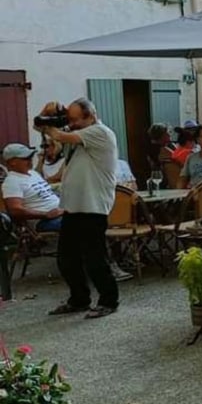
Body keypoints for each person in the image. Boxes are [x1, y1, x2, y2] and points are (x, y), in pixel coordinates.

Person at [42, 98, 121, 319]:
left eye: (76, 119)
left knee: (95, 258)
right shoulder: (80, 131)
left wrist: (53, 123)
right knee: (67, 258)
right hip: (73, 207)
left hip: (93, 206)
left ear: (91, 116)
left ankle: (109, 300)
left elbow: (56, 136)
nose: (72, 123)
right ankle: (79, 299)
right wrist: (47, 112)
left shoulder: (100, 132)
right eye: (70, 119)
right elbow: (41, 128)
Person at [3, 144, 64, 232]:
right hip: (44, 220)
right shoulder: (12, 182)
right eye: (25, 158)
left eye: (30, 157)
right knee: (83, 221)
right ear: (13, 162)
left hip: (61, 211)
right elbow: (15, 210)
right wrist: (46, 214)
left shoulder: (33, 173)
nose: (30, 160)